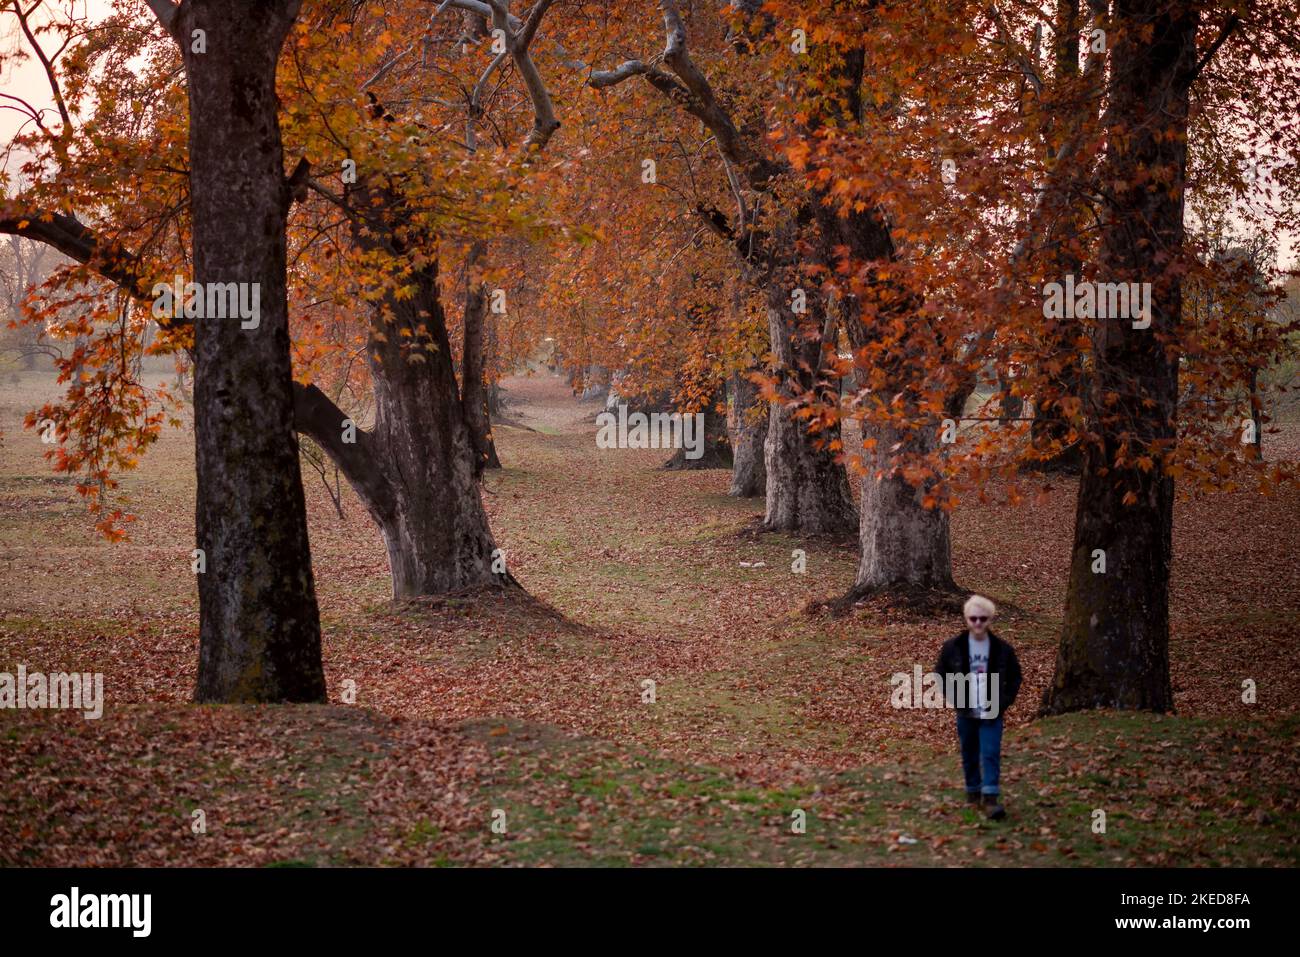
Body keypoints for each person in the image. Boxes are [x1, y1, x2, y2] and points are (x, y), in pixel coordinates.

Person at [934, 595, 1022, 820]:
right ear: (966, 619)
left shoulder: (1002, 649)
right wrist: (955, 698)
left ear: (990, 619)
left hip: (992, 710)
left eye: (983, 619)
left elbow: (1014, 677)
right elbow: (941, 675)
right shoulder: (953, 647)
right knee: (969, 752)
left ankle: (991, 798)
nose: (978, 623)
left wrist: (1003, 702)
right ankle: (973, 791)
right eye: (973, 618)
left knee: (990, 752)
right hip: (966, 710)